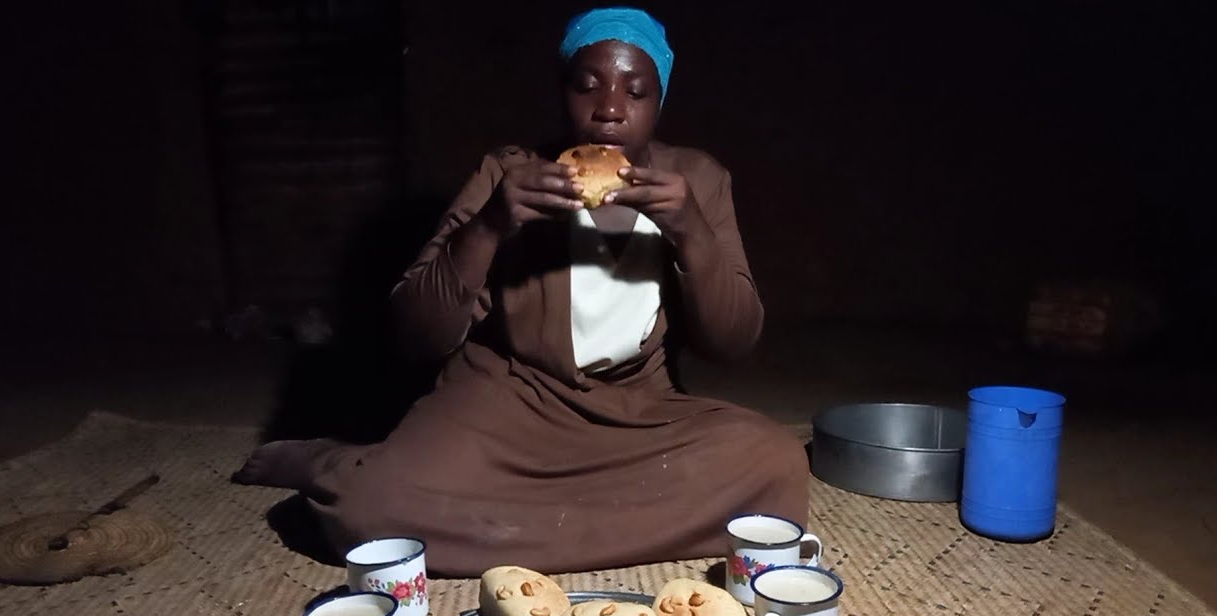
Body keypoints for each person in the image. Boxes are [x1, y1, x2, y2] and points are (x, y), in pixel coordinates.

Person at [234, 7, 810, 576]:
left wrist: (691, 232)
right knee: (367, 508)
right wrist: (490, 225)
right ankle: (333, 463)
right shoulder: (509, 175)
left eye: (635, 92)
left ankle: (526, 527)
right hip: (505, 406)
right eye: (587, 86)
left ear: (659, 101)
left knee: (779, 466)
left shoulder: (696, 182)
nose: (610, 109)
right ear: (562, 91)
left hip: (636, 414)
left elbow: (732, 341)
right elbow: (416, 334)